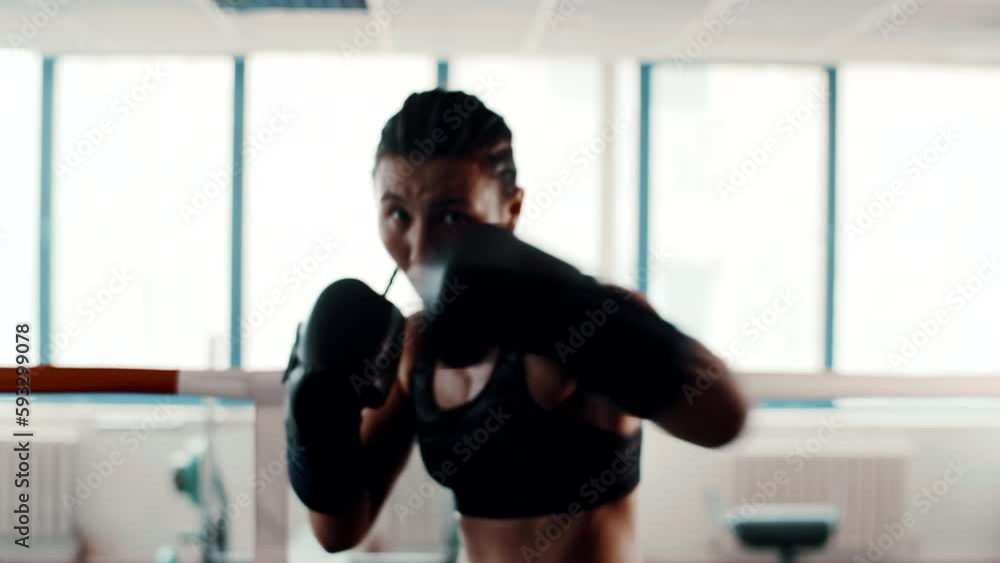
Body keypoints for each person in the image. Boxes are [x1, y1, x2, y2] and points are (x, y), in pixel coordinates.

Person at [283, 89, 748, 563]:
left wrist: (563, 308)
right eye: (398, 214)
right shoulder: (414, 346)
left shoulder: (576, 319)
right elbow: (338, 532)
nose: (418, 248)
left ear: (511, 208)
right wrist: (316, 414)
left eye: (451, 215)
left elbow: (723, 416)